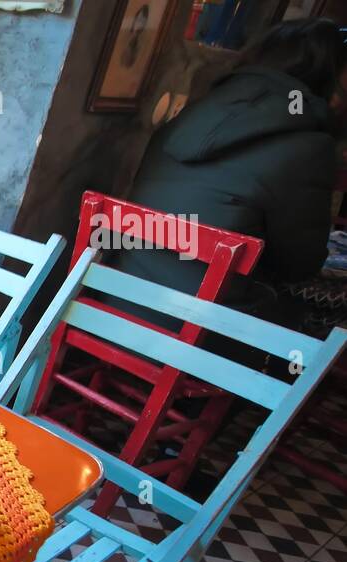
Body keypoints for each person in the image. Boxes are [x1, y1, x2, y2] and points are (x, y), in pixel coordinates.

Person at [116, 17, 346, 333]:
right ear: (327, 81)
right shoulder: (309, 147)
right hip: (197, 333)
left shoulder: (192, 112)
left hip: (115, 304)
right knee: (317, 315)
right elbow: (299, 265)